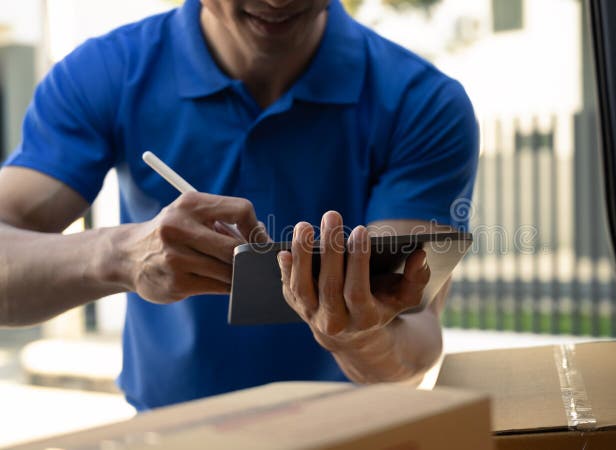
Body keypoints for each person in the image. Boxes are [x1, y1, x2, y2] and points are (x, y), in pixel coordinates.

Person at [0, 0, 478, 410]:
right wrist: (119, 254)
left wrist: (361, 338)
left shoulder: (422, 104)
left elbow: (415, 336)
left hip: (351, 434)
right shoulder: (108, 72)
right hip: (172, 436)